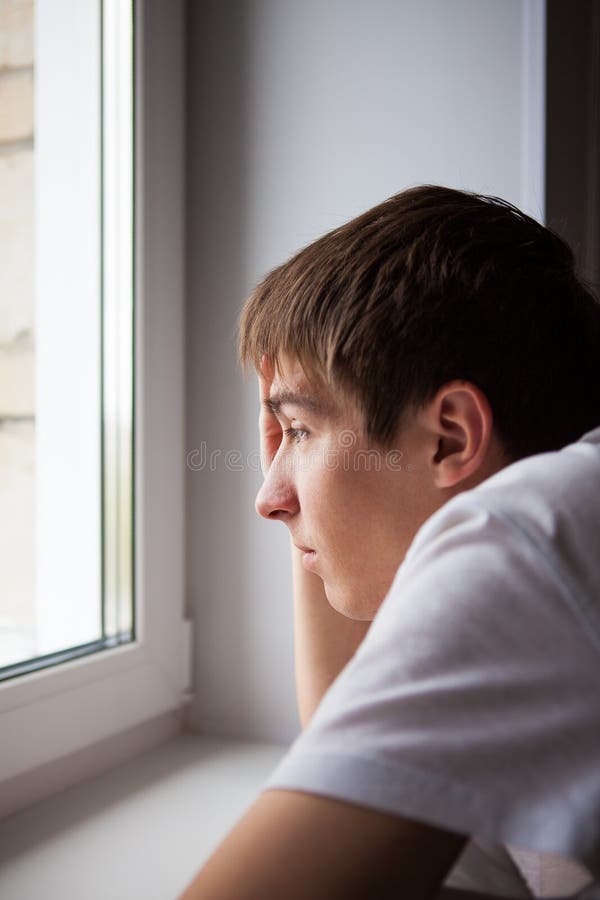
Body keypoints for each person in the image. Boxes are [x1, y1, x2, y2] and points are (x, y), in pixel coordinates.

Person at [180, 186, 600, 899]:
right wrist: (303, 470)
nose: (265, 499)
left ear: (451, 436)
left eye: (301, 432)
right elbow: (359, 759)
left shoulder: (532, 529)